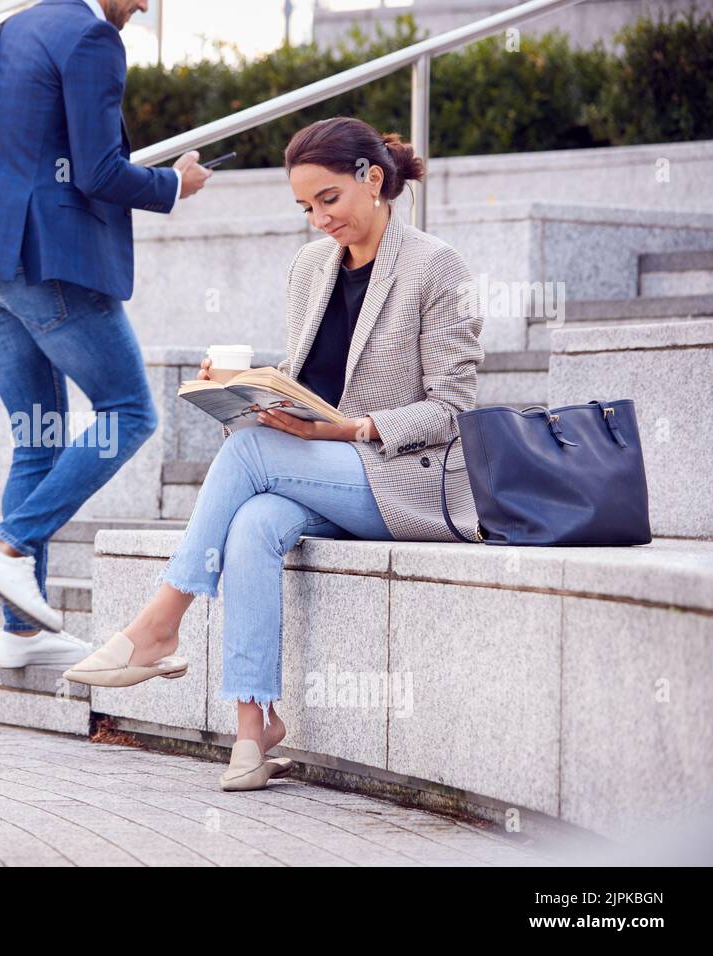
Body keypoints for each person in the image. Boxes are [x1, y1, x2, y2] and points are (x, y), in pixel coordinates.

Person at [64, 116, 486, 791]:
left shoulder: (436, 267)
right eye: (305, 206)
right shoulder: (309, 266)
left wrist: (351, 431)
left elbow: (453, 408)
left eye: (329, 199)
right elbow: (302, 374)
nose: (319, 219)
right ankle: (254, 732)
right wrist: (240, 385)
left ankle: (160, 626)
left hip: (404, 482)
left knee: (249, 455)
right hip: (323, 470)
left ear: (372, 180)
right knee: (254, 523)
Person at [0, 0, 213, 669]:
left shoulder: (18, 27)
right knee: (128, 412)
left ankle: (22, 633)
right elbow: (97, 171)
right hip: (50, 264)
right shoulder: (92, 37)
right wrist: (174, 184)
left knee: (36, 442)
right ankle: (10, 545)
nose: (147, 5)